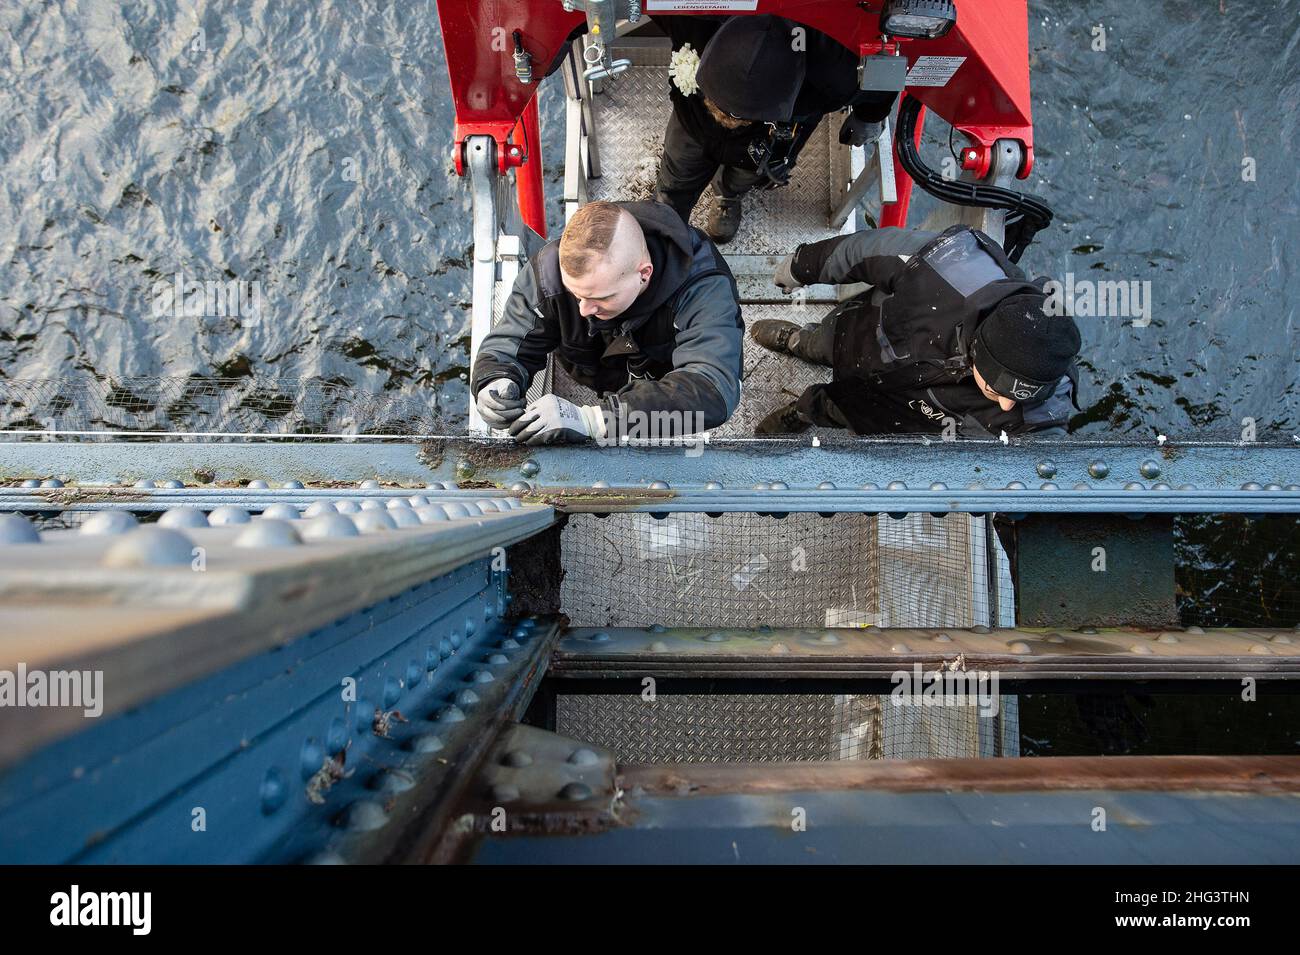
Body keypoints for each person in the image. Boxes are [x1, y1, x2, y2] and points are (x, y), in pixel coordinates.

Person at [750, 224, 1082, 438]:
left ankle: (802, 412)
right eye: (997, 391)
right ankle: (797, 340)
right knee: (821, 341)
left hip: (893, 412)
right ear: (979, 350)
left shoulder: (1040, 418)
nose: (1006, 409)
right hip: (859, 335)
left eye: (1018, 399)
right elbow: (868, 249)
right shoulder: (952, 264)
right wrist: (801, 266)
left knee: (836, 409)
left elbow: (1046, 483)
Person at [471, 200, 743, 445]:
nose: (584, 309)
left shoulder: (704, 286)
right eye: (576, 294)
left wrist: (597, 420)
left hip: (663, 385)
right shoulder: (549, 272)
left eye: (600, 297)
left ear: (643, 274)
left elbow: (713, 390)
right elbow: (511, 340)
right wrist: (494, 378)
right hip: (596, 371)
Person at [654, 13, 897, 243]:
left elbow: (880, 85)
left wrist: (870, 117)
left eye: (742, 113)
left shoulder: (835, 70)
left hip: (766, 139)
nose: (728, 117)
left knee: (748, 174)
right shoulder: (692, 15)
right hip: (693, 122)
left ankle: (728, 195)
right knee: (679, 170)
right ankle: (670, 208)